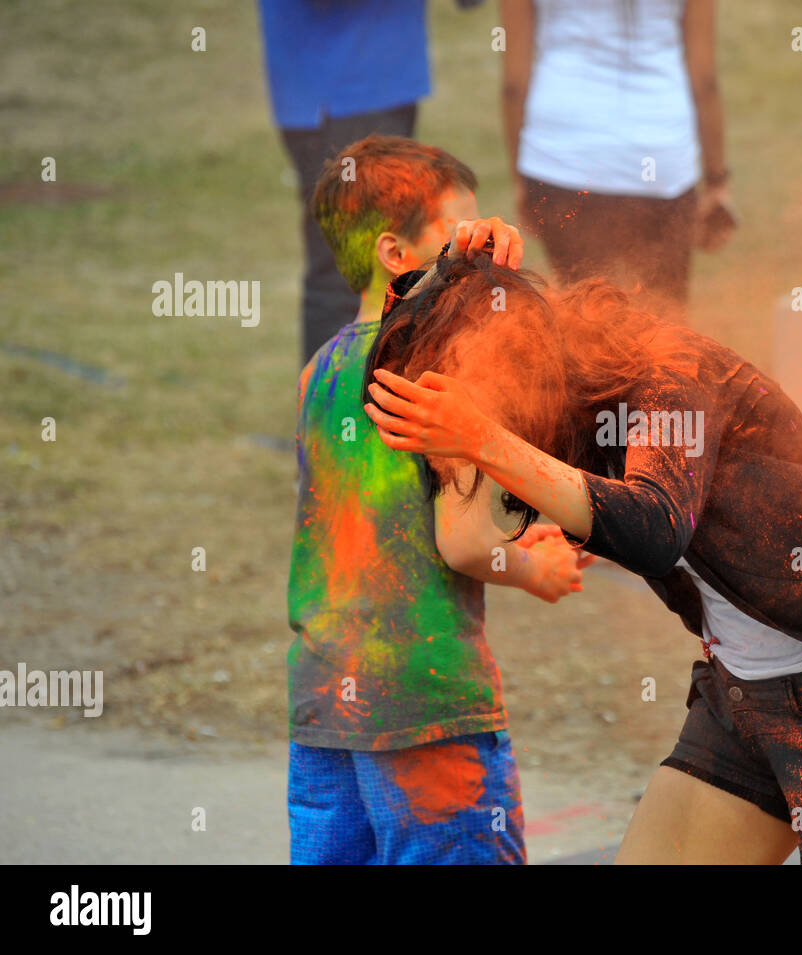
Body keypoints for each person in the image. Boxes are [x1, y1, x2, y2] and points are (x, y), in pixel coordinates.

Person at [361, 253, 802, 865]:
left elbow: (656, 526)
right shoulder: (574, 387)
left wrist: (483, 436)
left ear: (514, 360)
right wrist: (452, 266)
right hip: (740, 703)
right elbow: (481, 528)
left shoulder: (667, 367)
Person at [287, 138, 587, 865]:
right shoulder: (445, 365)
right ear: (395, 253)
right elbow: (460, 542)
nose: (477, 252)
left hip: (325, 707)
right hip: (429, 711)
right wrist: (531, 567)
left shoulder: (317, 374)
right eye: (458, 238)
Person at [500, 0, 735, 319]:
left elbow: (514, 84)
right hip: (660, 160)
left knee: (584, 324)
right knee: (666, 329)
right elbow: (704, 80)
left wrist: (521, 180)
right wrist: (717, 181)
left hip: (561, 161)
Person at [259, 0, 441, 363]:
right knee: (347, 276)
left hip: (378, 85)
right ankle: (326, 416)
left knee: (387, 271)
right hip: (339, 91)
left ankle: (359, 411)